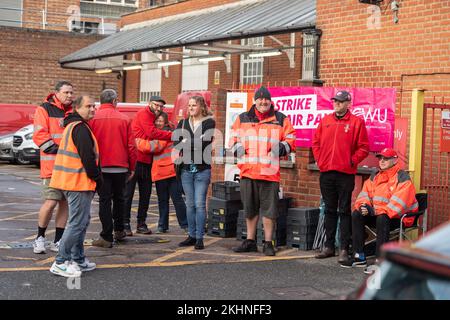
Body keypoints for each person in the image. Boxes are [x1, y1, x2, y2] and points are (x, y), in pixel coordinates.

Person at [230, 86, 296, 256]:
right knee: (250, 209)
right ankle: (250, 241)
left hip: (269, 173)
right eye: (260, 99)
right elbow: (233, 137)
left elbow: (291, 139)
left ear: (270, 101)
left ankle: (268, 243)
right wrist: (236, 147)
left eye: (266, 99)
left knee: (269, 211)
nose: (263, 101)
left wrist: (281, 147)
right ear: (255, 101)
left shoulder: (281, 119)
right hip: (248, 172)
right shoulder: (242, 118)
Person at [312, 90, 369, 264]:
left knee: (344, 211)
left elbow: (364, 147)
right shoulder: (325, 121)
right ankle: (328, 246)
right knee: (329, 210)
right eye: (335, 100)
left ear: (348, 104)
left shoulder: (356, 122)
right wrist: (321, 161)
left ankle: (343, 248)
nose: (336, 103)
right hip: (327, 172)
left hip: (345, 174)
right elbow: (315, 143)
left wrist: (352, 161)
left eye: (340, 101)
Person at [49, 95, 102, 278]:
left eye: (94, 106)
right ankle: (60, 261)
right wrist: (98, 179)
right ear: (77, 108)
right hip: (77, 182)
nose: (93, 109)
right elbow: (87, 158)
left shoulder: (76, 126)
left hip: (75, 181)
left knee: (81, 222)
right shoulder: (79, 128)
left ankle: (78, 259)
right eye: (88, 106)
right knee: (77, 223)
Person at [341, 148, 418, 270]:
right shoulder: (374, 176)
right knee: (357, 214)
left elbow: (397, 205)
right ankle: (359, 256)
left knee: (383, 218)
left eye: (386, 159)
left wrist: (374, 211)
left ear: (394, 160)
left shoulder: (403, 177)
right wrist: (364, 206)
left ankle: (380, 260)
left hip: (399, 218)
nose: (382, 161)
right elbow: (363, 195)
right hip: (379, 215)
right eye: (380, 158)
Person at [89, 89, 136, 248]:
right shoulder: (125, 119)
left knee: (104, 201)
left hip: (101, 167)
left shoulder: (93, 119)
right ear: (115, 101)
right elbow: (131, 146)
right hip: (121, 167)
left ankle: (106, 236)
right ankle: (120, 230)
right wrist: (132, 167)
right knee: (119, 199)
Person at [32, 81, 73, 254]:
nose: (70, 96)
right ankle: (39, 238)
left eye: (71, 93)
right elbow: (39, 135)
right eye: (66, 92)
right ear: (56, 93)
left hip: (69, 167)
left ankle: (58, 240)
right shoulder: (44, 109)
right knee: (50, 202)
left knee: (64, 204)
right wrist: (61, 150)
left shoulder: (73, 111)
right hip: (52, 166)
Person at [124, 95, 172, 235]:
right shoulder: (144, 114)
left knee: (145, 195)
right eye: (156, 105)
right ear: (149, 103)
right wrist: (171, 135)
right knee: (128, 194)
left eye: (161, 106)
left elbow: (154, 133)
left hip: (147, 161)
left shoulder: (151, 116)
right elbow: (151, 132)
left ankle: (141, 223)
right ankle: (125, 224)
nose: (158, 108)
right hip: (135, 161)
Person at [173, 95, 215, 250]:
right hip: (185, 170)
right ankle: (191, 235)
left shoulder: (209, 122)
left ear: (201, 107)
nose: (190, 108)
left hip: (202, 170)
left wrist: (187, 142)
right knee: (190, 204)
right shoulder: (182, 123)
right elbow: (176, 143)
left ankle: (199, 238)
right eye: (189, 105)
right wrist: (190, 142)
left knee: (199, 204)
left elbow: (205, 142)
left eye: (194, 105)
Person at [135, 112, 188, 234]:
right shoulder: (168, 132)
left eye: (161, 121)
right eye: (156, 121)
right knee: (165, 200)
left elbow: (152, 147)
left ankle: (182, 224)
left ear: (165, 122)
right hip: (164, 172)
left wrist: (137, 141)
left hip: (168, 171)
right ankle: (164, 225)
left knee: (175, 199)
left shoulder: (166, 133)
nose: (158, 123)